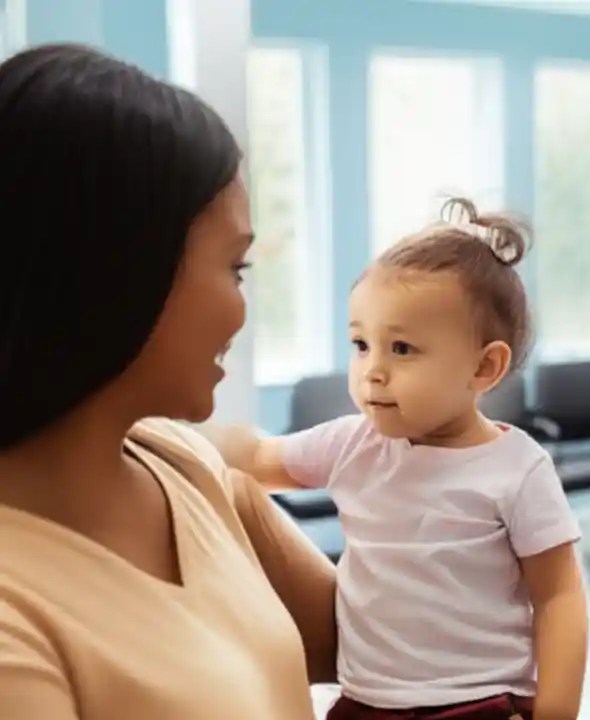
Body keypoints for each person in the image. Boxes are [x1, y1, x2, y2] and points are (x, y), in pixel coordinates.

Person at [0, 44, 337, 719]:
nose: (241, 309)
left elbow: (391, 647)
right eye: (235, 268)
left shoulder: (186, 465)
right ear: (119, 267)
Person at [200, 198, 589, 720]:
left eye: (401, 349)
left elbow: (559, 596)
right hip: (366, 704)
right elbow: (254, 458)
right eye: (361, 344)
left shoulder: (517, 468)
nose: (373, 371)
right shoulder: (352, 443)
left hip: (477, 704)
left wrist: (557, 713)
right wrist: (165, 430)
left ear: (483, 368)